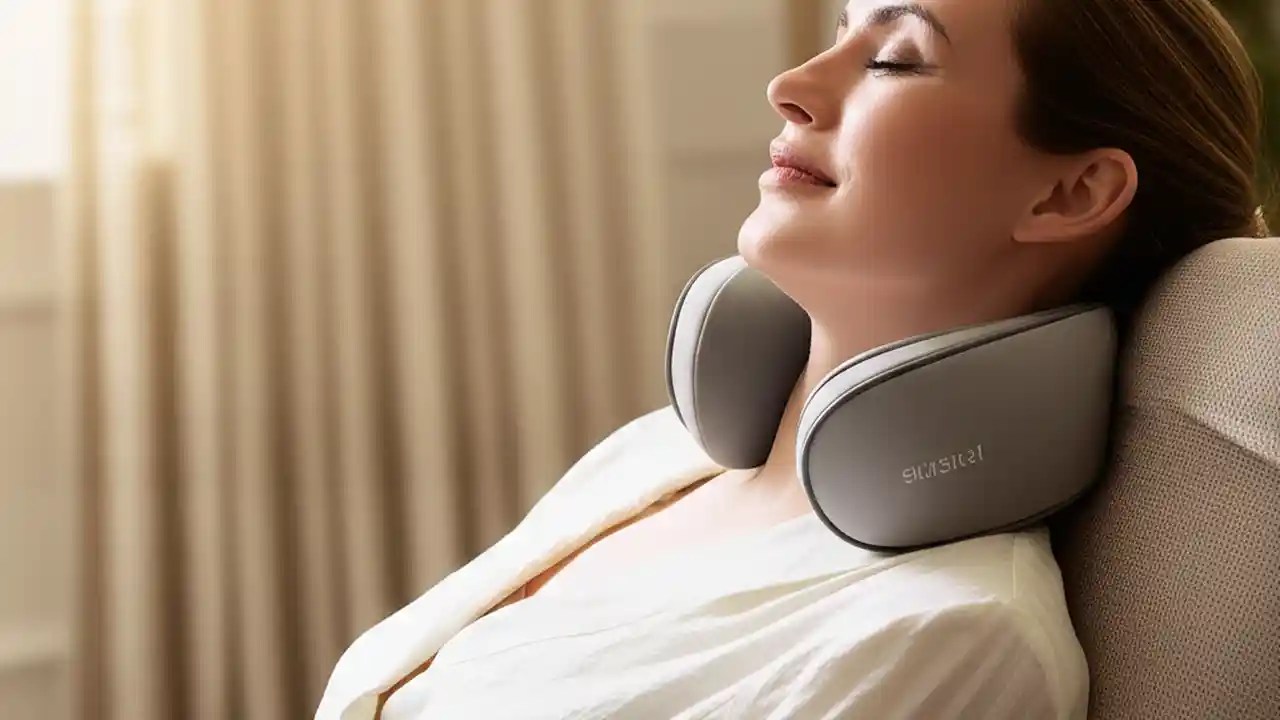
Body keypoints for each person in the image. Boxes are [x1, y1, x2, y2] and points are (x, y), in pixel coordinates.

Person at [317, 1, 1270, 717]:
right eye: (838, 32)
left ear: (1070, 194)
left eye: (895, 58)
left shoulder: (945, 640)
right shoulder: (655, 456)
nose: (792, 84)